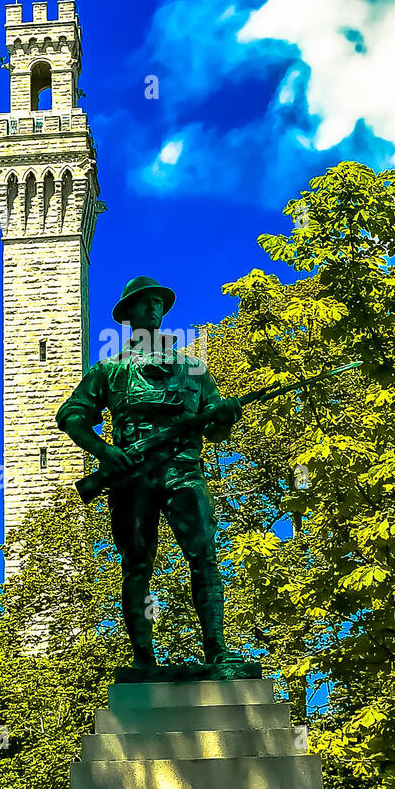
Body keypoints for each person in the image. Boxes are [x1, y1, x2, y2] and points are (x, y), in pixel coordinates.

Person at [56, 276, 243, 667]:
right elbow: (71, 416)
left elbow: (214, 429)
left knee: (204, 556)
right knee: (137, 563)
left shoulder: (193, 368)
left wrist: (225, 416)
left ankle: (217, 650)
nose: (154, 308)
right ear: (129, 314)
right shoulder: (110, 368)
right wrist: (105, 452)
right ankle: (144, 658)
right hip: (132, 476)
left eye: (159, 301)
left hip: (184, 471)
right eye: (145, 302)